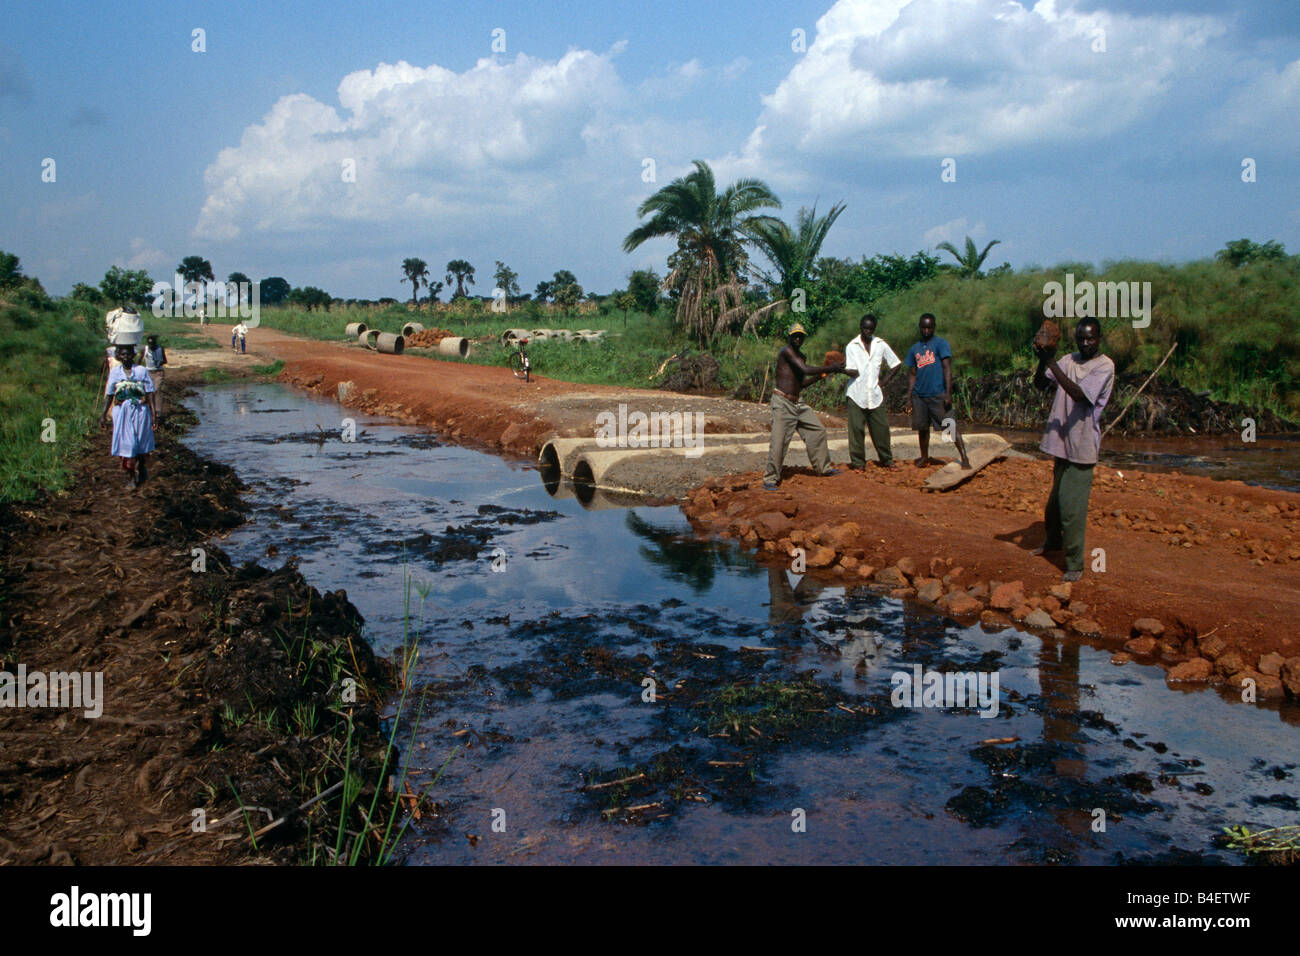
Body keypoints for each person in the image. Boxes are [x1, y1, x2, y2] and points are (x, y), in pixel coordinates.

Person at [1032, 316, 1115, 582]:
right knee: (1054, 503)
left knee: (1072, 509)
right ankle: (1053, 542)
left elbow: (1079, 394)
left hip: (1082, 444)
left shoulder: (1104, 366)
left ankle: (1075, 564)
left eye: (1091, 338)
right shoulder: (1069, 360)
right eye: (1081, 338)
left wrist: (1052, 362)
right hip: (1061, 441)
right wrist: (1043, 358)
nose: (1086, 343)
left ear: (1099, 338)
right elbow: (1041, 384)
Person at [763, 322, 855, 490]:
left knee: (817, 431)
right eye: (795, 336)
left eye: (800, 336)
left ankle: (823, 468)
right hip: (783, 403)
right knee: (779, 441)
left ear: (803, 338)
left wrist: (823, 374)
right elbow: (805, 370)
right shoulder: (786, 352)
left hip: (798, 403)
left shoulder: (801, 356)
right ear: (790, 337)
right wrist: (830, 367)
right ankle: (770, 479)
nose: (798, 338)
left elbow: (802, 383)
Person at [905, 313, 971, 469]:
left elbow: (947, 369)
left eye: (929, 327)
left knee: (950, 425)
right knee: (922, 428)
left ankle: (964, 457)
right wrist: (909, 398)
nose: (926, 330)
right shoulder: (915, 349)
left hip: (937, 394)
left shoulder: (941, 344)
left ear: (934, 327)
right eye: (923, 327)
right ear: (920, 328)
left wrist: (948, 393)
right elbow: (912, 375)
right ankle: (924, 457)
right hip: (920, 396)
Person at [845, 313, 903, 469]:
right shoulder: (852, 346)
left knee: (881, 429)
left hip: (875, 395)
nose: (868, 331)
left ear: (874, 328)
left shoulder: (880, 344)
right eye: (865, 328)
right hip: (856, 394)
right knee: (856, 430)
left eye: (871, 328)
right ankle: (858, 463)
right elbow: (852, 370)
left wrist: (884, 382)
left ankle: (887, 460)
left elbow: (896, 364)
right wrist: (840, 369)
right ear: (861, 327)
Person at [101, 344, 157, 489]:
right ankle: (131, 476)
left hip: (140, 411)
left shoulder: (141, 371)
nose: (126, 357)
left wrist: (154, 414)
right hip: (122, 412)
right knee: (128, 445)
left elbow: (150, 392)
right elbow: (109, 394)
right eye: (123, 355)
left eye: (128, 355)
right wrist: (103, 415)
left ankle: (142, 466)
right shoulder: (115, 372)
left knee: (140, 443)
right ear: (119, 356)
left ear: (133, 356)